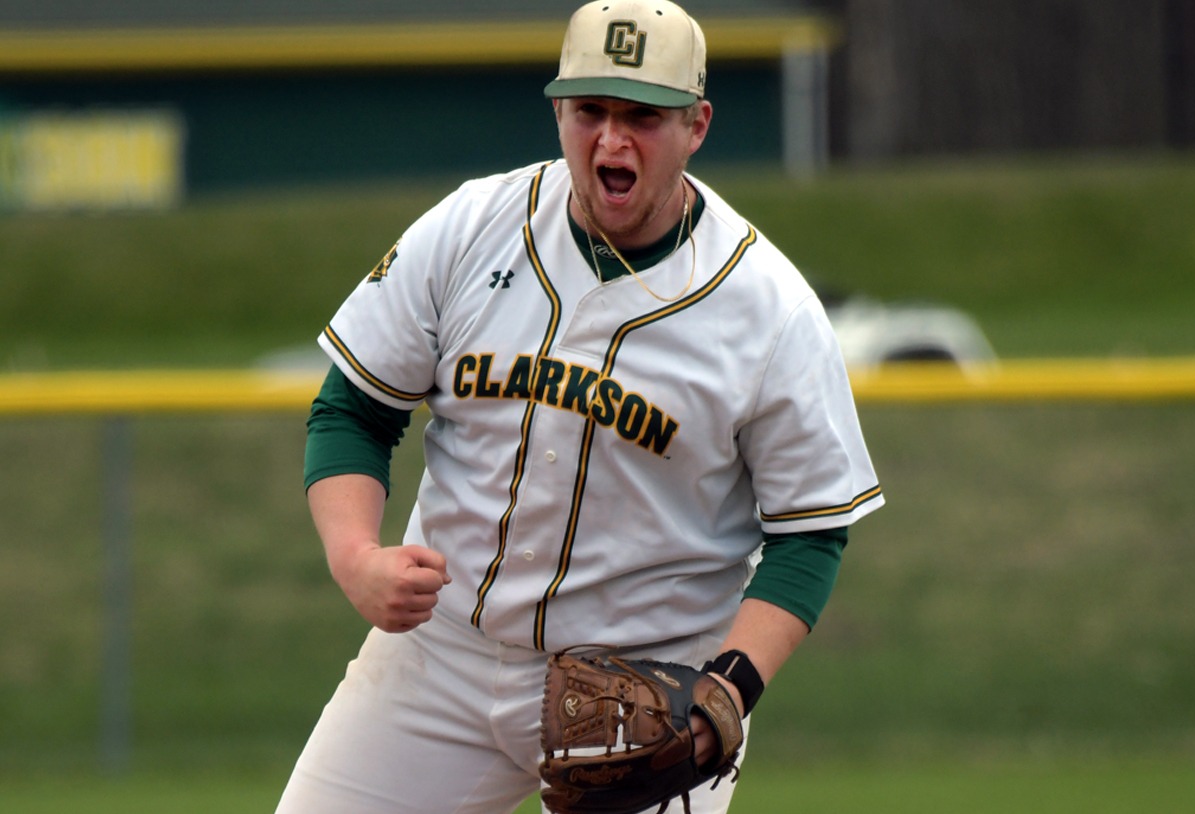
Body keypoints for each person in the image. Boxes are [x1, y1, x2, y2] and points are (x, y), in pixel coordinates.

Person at [275, 1, 883, 812]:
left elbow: (810, 533)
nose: (610, 140)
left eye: (642, 116)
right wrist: (354, 556)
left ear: (696, 125)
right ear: (559, 108)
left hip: (647, 687)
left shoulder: (767, 308)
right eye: (590, 110)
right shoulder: (470, 230)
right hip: (439, 658)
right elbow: (353, 408)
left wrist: (726, 692)